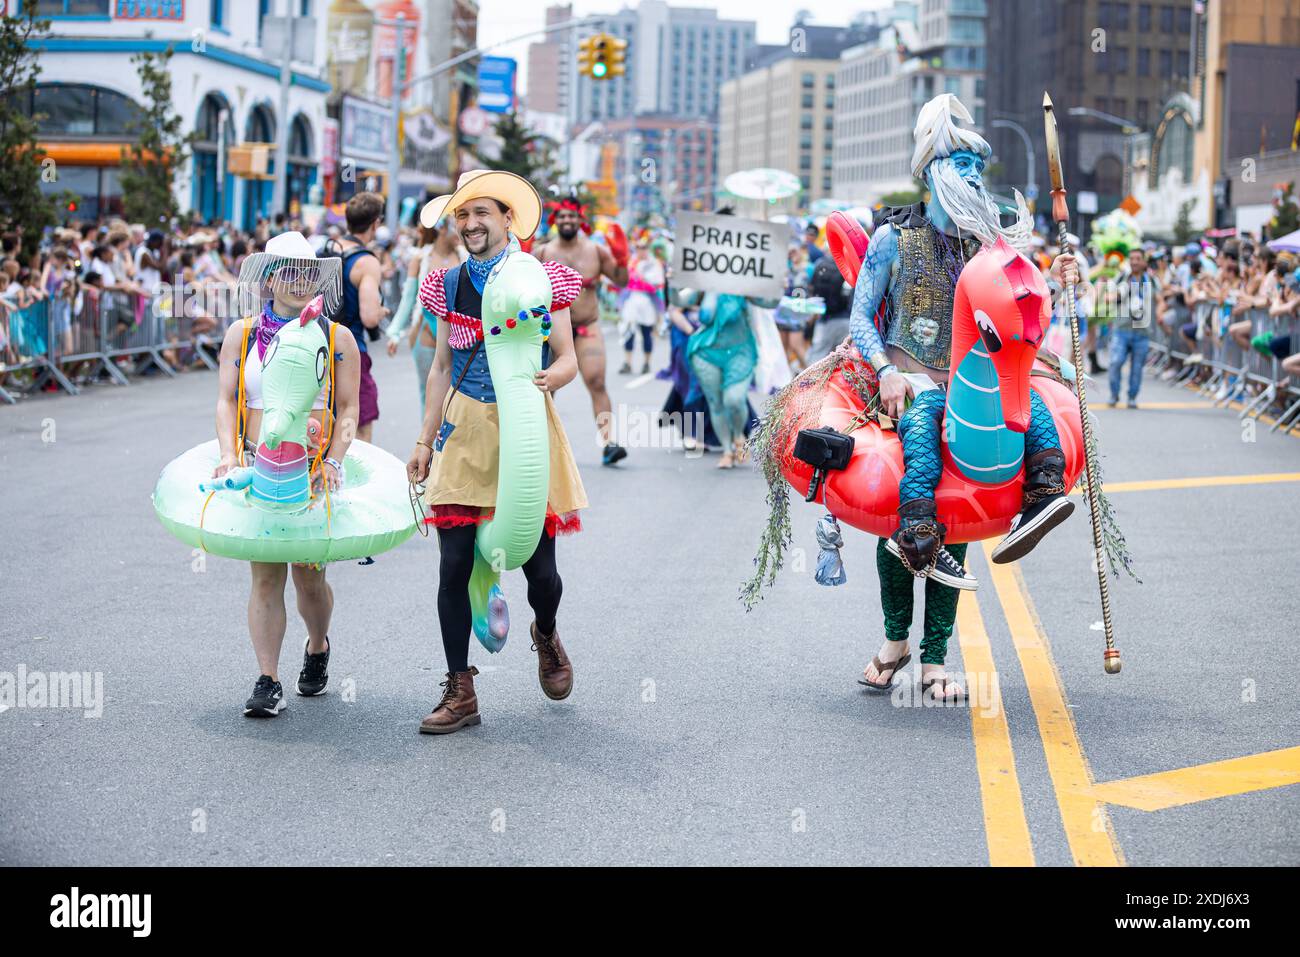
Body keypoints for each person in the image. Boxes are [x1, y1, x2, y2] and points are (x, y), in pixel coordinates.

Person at [847, 94, 1078, 701]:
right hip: (912, 387)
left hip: (976, 385)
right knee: (911, 500)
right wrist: (885, 371)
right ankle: (897, 639)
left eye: (978, 166)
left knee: (968, 517)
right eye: (959, 163)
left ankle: (1043, 494)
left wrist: (1065, 277)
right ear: (930, 172)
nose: (973, 176)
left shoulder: (990, 247)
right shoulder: (892, 238)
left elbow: (1025, 299)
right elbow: (861, 318)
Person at [407, 170, 588, 735]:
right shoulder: (448, 283)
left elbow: (566, 359)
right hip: (466, 428)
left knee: (541, 571)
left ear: (507, 218)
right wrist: (423, 439)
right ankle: (460, 687)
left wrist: (543, 382)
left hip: (527, 428)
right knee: (455, 564)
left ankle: (545, 632)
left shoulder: (542, 279)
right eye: (461, 215)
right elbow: (439, 367)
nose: (470, 224)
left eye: (481, 212)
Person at [210, 231, 360, 717]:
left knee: (309, 578)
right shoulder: (244, 334)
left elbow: (350, 409)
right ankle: (267, 678)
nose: (299, 280)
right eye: (288, 271)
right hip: (257, 466)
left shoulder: (337, 338)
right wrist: (230, 455)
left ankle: (317, 644)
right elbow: (227, 399)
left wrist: (334, 461)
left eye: (308, 272)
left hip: (310, 472)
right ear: (269, 278)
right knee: (264, 575)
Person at [535, 192, 630, 465]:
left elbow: (621, 281)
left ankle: (609, 443)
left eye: (571, 216)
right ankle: (540, 444)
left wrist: (622, 259)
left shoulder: (596, 251)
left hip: (587, 327)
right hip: (550, 331)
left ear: (580, 219)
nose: (567, 220)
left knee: (597, 382)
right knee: (546, 387)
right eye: (562, 216)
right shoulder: (543, 252)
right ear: (555, 220)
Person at [386, 218, 462, 412]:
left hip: (459, 336)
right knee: (429, 396)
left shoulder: (465, 256)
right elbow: (408, 298)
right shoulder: (421, 258)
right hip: (426, 332)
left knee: (457, 397)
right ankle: (428, 442)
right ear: (442, 229)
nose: (463, 231)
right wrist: (395, 332)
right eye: (457, 225)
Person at [333, 192, 389, 442]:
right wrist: (381, 311)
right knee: (360, 424)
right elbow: (369, 317)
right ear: (376, 223)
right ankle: (355, 480)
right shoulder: (366, 262)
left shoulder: (326, 250)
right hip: (352, 350)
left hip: (318, 346)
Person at [1108, 247, 1162, 407]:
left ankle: (1132, 397)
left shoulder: (1151, 281)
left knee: (1137, 368)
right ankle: (1114, 394)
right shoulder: (1122, 277)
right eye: (1132, 259)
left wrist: (1160, 313)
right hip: (1121, 329)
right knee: (1115, 362)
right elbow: (1108, 296)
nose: (1134, 262)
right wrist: (1119, 294)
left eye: (1138, 259)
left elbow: (1160, 300)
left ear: (1144, 261)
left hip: (1142, 332)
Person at [618, 238, 664, 375]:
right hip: (632, 299)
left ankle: (647, 363)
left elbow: (658, 282)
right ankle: (627, 362)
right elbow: (623, 280)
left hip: (647, 301)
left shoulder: (654, 264)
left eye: (643, 247)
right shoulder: (631, 262)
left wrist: (642, 277)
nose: (641, 250)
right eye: (638, 247)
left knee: (646, 332)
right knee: (628, 331)